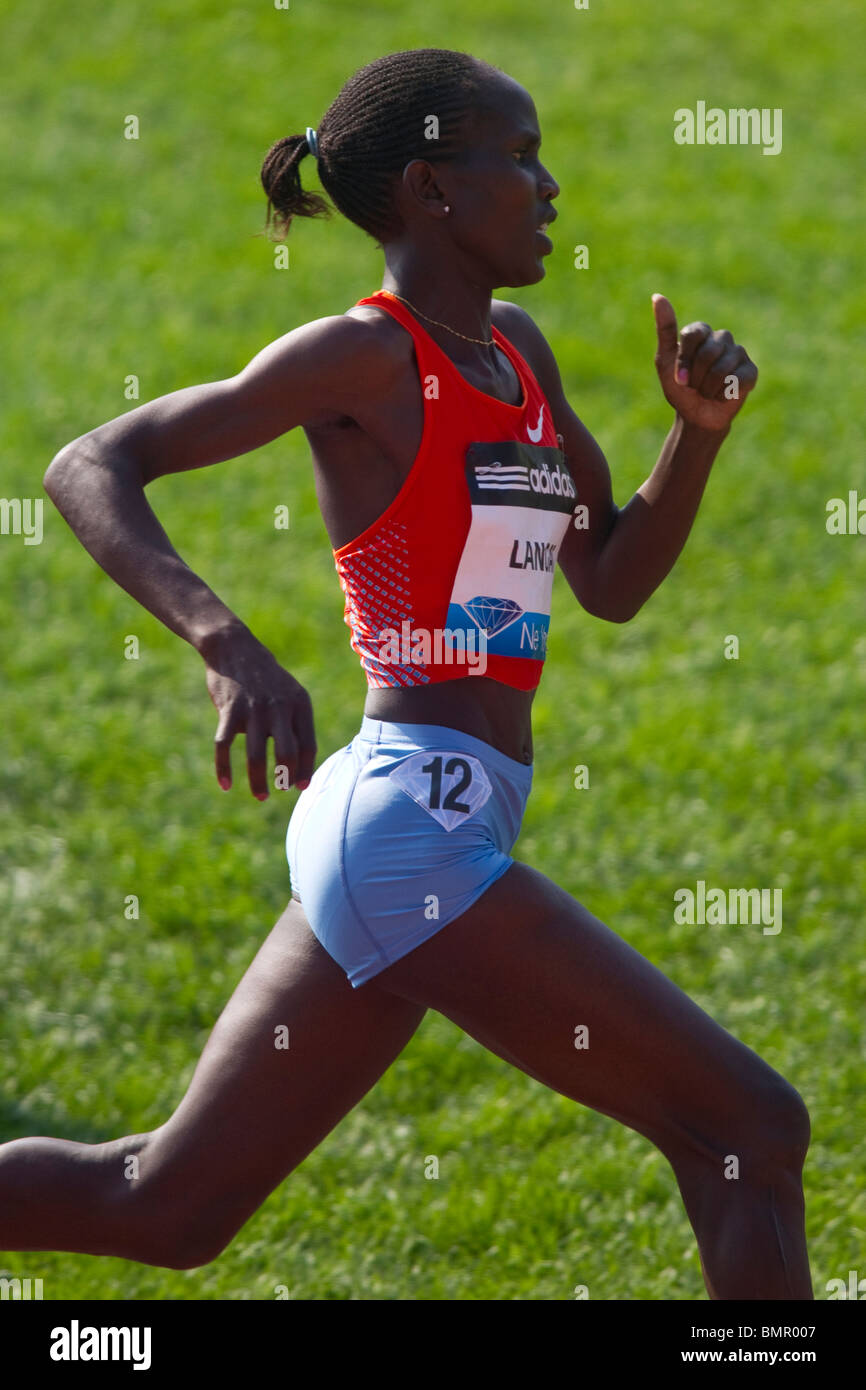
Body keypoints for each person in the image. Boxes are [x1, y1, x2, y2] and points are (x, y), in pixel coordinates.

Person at [5, 48, 810, 1300]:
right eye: (521, 159)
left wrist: (689, 439)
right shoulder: (364, 360)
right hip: (408, 826)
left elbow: (608, 579)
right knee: (747, 1133)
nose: (550, 186)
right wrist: (227, 643)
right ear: (431, 188)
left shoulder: (518, 354)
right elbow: (90, 462)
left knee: (167, 1204)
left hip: (422, 822)